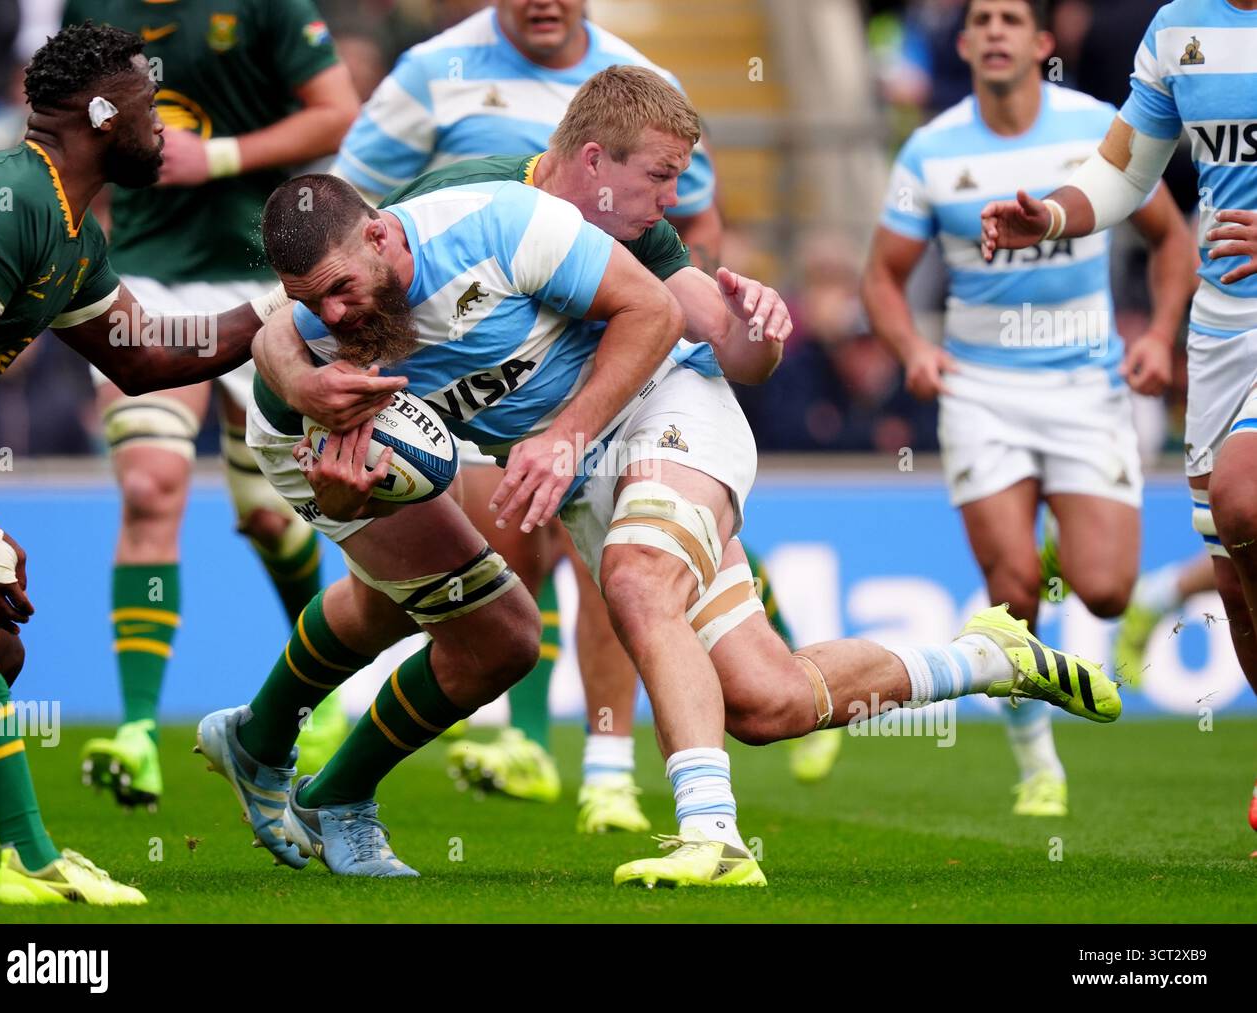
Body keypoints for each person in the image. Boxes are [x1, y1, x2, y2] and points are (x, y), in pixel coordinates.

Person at [226, 66, 1123, 888]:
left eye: (676, 178)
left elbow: (684, 318)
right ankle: (983, 656)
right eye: (659, 175)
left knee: (634, 577)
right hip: (584, 464)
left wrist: (752, 335)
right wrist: (312, 400)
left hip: (668, 414)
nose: (673, 200)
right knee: (767, 700)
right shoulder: (420, 242)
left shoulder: (561, 227)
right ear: (590, 159)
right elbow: (269, 323)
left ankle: (712, 835)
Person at [328, 0, 728, 826]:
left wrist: (720, 309)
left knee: (612, 568)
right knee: (509, 557)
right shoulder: (432, 72)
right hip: (459, 355)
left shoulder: (639, 83)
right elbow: (346, 207)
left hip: (596, 352)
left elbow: (687, 220)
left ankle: (609, 769)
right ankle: (526, 738)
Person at [0, 22, 286, 902]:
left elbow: (144, 355)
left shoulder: (70, 229)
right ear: (102, 113)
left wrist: (280, 309)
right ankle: (28, 860)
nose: (162, 131)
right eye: (149, 108)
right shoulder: (5, 201)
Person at [864, 0, 1195, 816]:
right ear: (967, 42)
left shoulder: (1097, 131)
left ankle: (1064, 538)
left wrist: (1158, 334)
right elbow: (881, 276)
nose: (997, 30)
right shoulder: (929, 150)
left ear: (1042, 42)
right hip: (980, 392)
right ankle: (1038, 762)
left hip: (1086, 388)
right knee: (1011, 587)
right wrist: (914, 350)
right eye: (982, 19)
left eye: (1014, 18)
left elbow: (1173, 239)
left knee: (1105, 589)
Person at [61, 0, 360, 808]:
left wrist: (217, 155)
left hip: (266, 277)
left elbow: (338, 112)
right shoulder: (93, 8)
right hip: (147, 277)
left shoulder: (268, 6)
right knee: (150, 485)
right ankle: (135, 732)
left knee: (270, 516)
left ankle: (320, 693)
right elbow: (61, 128)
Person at [980, 0, 1257, 837]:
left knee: (1246, 501)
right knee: (1236, 577)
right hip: (1221, 329)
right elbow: (1127, 170)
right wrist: (1053, 215)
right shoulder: (1179, 25)